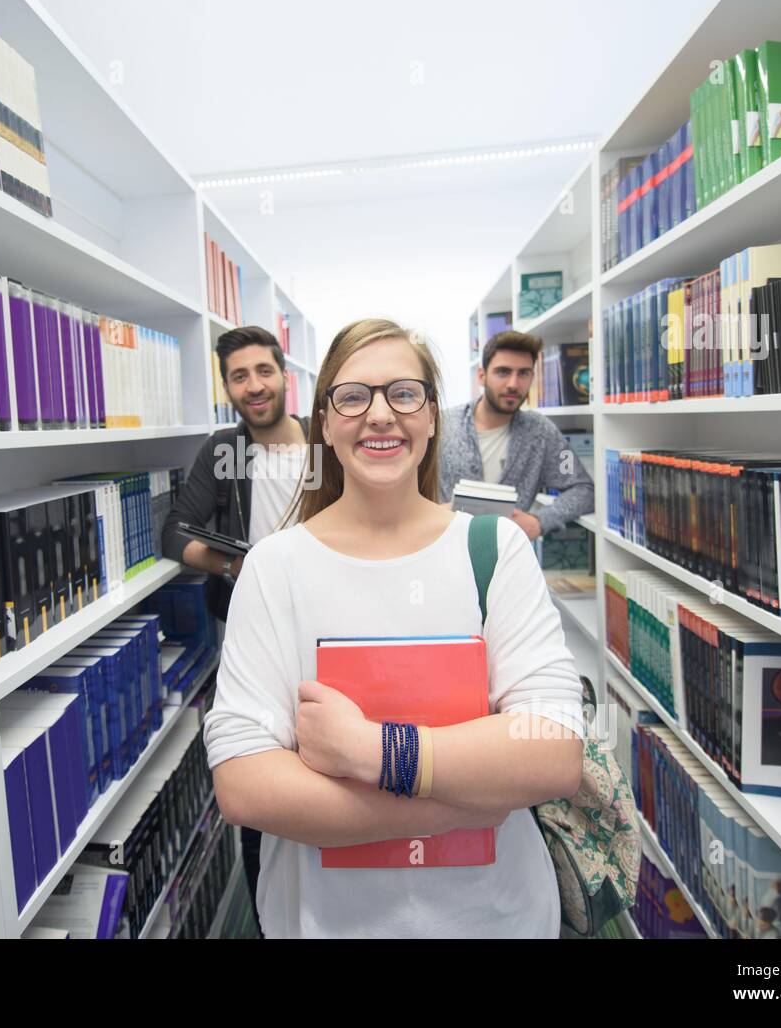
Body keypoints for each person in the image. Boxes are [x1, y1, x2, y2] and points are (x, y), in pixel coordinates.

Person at [203, 318, 585, 938]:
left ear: (432, 416)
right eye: (353, 397)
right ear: (324, 423)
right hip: (325, 923)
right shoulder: (275, 567)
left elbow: (554, 752)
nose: (380, 414)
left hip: (495, 919)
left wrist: (369, 752)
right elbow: (245, 785)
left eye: (403, 394)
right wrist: (459, 798)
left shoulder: (494, 550)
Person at [160, 324, 310, 936]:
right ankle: (269, 916)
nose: (254, 386)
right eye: (239, 376)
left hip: (324, 631)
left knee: (329, 762)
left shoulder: (327, 443)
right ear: (227, 387)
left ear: (284, 376)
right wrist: (235, 565)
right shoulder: (225, 451)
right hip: (250, 636)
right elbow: (175, 533)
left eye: (263, 371)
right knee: (256, 769)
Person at [438, 329, 593, 539]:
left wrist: (540, 521)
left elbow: (582, 489)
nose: (513, 384)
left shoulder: (543, 433)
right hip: (444, 551)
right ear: (482, 376)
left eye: (523, 373)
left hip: (509, 558)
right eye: (503, 372)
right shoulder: (442, 426)